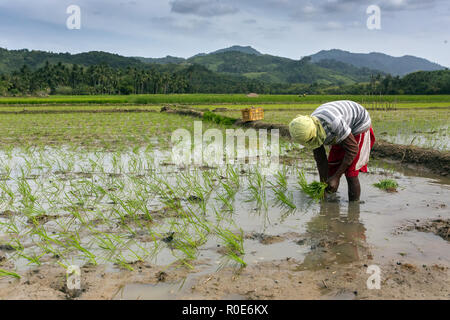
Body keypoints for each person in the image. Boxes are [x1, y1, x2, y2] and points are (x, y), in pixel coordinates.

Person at [289, 100, 375, 201]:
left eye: (310, 140)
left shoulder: (333, 122)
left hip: (358, 124)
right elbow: (321, 160)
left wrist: (337, 177)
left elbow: (353, 149)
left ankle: (353, 211)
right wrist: (323, 185)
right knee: (332, 166)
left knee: (351, 173)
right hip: (340, 131)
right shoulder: (309, 128)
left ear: (314, 132)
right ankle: (330, 204)